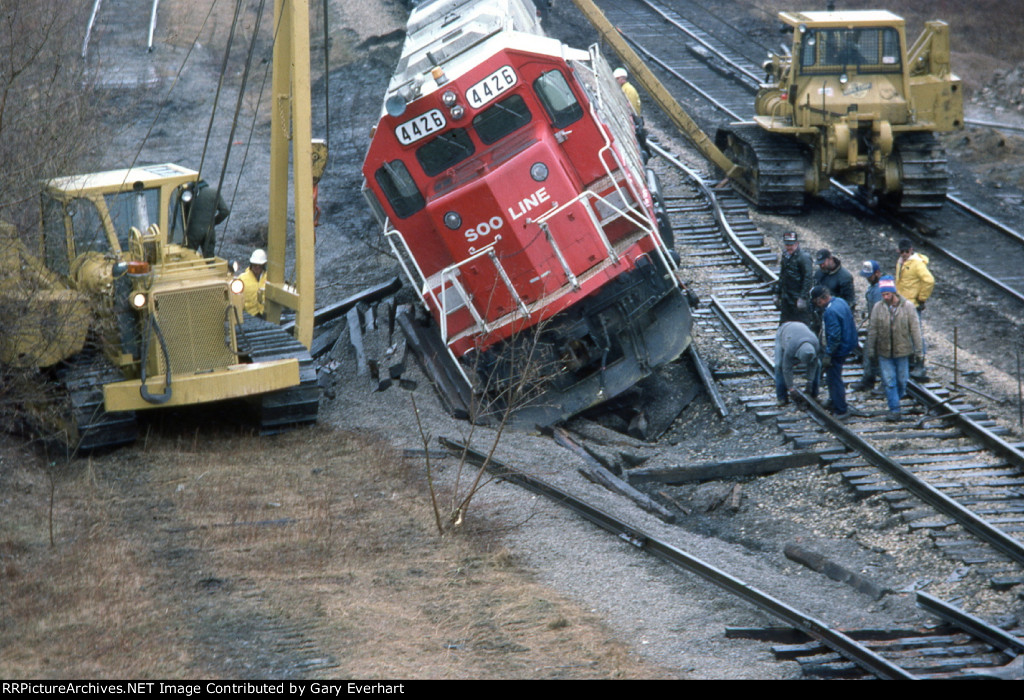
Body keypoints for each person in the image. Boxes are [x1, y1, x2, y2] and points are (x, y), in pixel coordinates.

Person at [865, 276, 923, 421]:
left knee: (902, 380)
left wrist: (919, 351)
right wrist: (870, 349)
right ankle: (894, 410)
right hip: (884, 352)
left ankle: (896, 398)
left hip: (903, 351)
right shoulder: (878, 307)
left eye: (887, 294)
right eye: (883, 294)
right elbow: (873, 330)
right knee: (889, 381)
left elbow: (915, 330)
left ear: (893, 293)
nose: (885, 297)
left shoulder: (908, 307)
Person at [811, 285, 857, 420]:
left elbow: (834, 336)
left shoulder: (830, 312)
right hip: (847, 345)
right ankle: (833, 399)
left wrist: (828, 354)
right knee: (834, 377)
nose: (817, 305)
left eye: (816, 302)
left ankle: (841, 409)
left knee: (833, 378)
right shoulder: (840, 302)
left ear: (822, 298)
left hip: (838, 350)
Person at [895, 238, 934, 377]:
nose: (904, 254)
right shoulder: (901, 262)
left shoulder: (917, 264)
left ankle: (920, 364)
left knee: (916, 334)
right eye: (902, 252)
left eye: (907, 251)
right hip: (902, 303)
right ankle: (911, 361)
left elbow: (929, 280)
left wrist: (921, 298)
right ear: (899, 251)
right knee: (905, 333)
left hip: (912, 304)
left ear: (911, 250)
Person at [851, 260, 882, 392]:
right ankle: (868, 380)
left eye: (869, 276)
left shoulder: (882, 288)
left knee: (882, 356)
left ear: (877, 273)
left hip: (882, 327)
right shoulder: (874, 286)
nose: (867, 279)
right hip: (874, 325)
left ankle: (885, 385)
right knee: (869, 353)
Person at [774, 321, 820, 407]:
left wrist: (809, 381)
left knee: (818, 365)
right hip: (784, 331)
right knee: (779, 366)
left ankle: (814, 393)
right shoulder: (791, 347)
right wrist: (791, 388)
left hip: (801, 330)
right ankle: (782, 397)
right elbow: (786, 368)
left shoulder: (816, 344)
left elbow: (813, 364)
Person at [184, 181, 230, 258]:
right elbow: (225, 211)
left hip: (193, 232)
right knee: (209, 258)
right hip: (209, 231)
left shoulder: (189, 194)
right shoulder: (214, 192)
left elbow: (182, 213)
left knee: (189, 256)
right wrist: (213, 222)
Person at [777, 231, 814, 326]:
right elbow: (782, 276)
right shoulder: (785, 256)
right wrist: (777, 293)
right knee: (784, 325)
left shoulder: (804, 257)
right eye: (787, 245)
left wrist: (802, 297)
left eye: (791, 245)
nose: (789, 247)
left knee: (802, 325)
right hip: (787, 298)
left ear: (797, 244)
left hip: (797, 298)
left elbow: (808, 279)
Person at [813, 248, 857, 313]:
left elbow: (849, 302)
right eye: (819, 264)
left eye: (823, 263)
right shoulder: (818, 273)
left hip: (837, 312)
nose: (821, 266)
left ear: (830, 259)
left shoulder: (845, 277)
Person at [238, 248, 267, 317]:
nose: (257, 267)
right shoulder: (242, 279)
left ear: (263, 265)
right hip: (248, 316)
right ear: (251, 264)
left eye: (259, 265)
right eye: (255, 265)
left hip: (265, 314)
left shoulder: (269, 278)